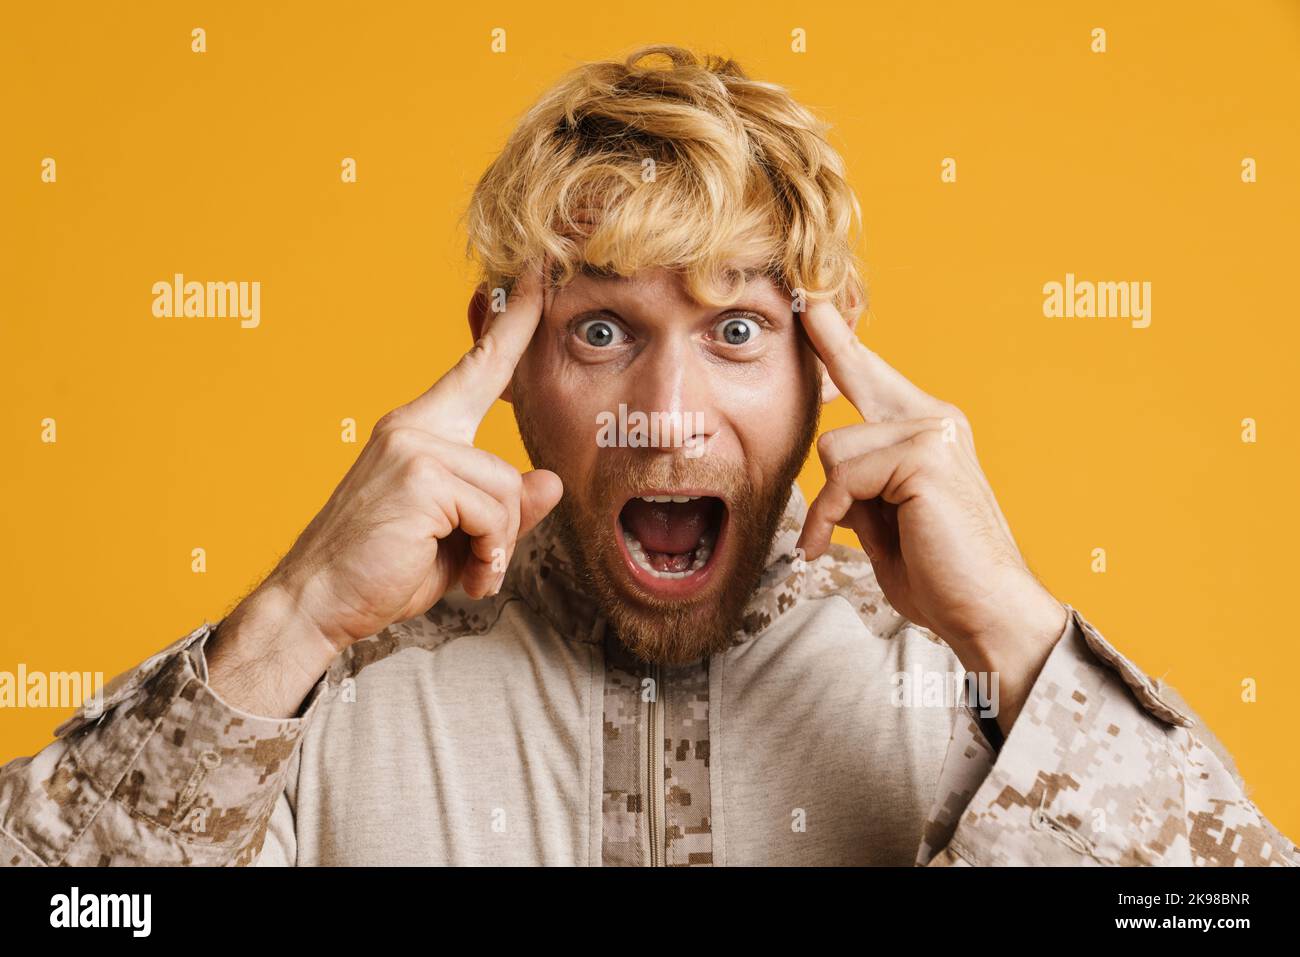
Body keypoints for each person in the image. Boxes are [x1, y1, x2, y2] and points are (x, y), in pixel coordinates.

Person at [1, 45, 1293, 867]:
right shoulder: (313, 703)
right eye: (603, 329)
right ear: (502, 359)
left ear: (821, 366)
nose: (665, 414)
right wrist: (284, 622)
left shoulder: (976, 707)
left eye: (737, 328)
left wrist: (1017, 635)